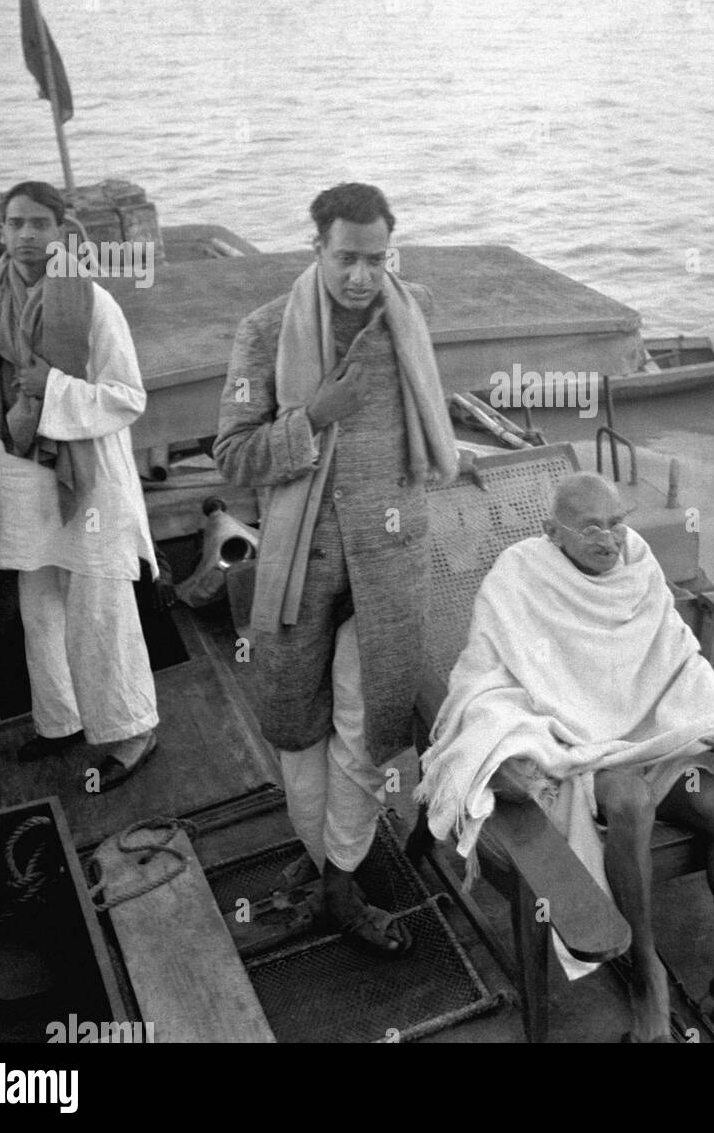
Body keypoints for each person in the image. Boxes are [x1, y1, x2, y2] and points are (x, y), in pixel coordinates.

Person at [417, 472, 714, 1043]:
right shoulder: (519, 576)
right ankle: (647, 980)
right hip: (583, 750)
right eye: (591, 526)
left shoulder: (639, 568)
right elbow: (484, 680)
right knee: (629, 800)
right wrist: (510, 748)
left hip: (654, 740)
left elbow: (679, 656)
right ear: (552, 532)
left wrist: (707, 713)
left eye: (618, 522)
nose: (610, 538)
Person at [214, 182, 459, 956]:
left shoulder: (407, 315)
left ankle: (342, 878)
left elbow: (427, 418)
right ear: (315, 247)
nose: (361, 276)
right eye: (346, 257)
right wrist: (313, 414)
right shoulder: (262, 333)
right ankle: (324, 859)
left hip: (390, 561)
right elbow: (232, 455)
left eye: (375, 257)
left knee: (366, 723)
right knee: (296, 724)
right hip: (300, 563)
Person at [0, 180, 159, 789]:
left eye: (40, 223)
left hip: (85, 477)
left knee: (99, 607)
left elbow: (127, 398)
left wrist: (54, 389)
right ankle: (59, 720)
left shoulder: (93, 305)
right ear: (2, 233)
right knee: (40, 607)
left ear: (63, 233)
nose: (27, 235)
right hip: (19, 476)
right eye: (15, 224)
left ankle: (132, 729)